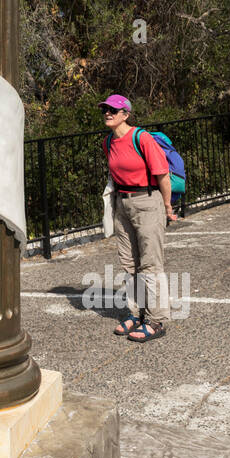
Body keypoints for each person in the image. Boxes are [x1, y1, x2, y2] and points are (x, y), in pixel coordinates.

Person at [100, 94, 178, 343]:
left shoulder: (141, 138)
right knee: (129, 264)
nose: (107, 113)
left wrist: (167, 206)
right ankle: (137, 314)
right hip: (122, 204)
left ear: (126, 114)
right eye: (105, 110)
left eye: (113, 109)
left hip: (147, 201)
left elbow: (162, 174)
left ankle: (157, 320)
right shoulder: (108, 142)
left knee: (150, 264)